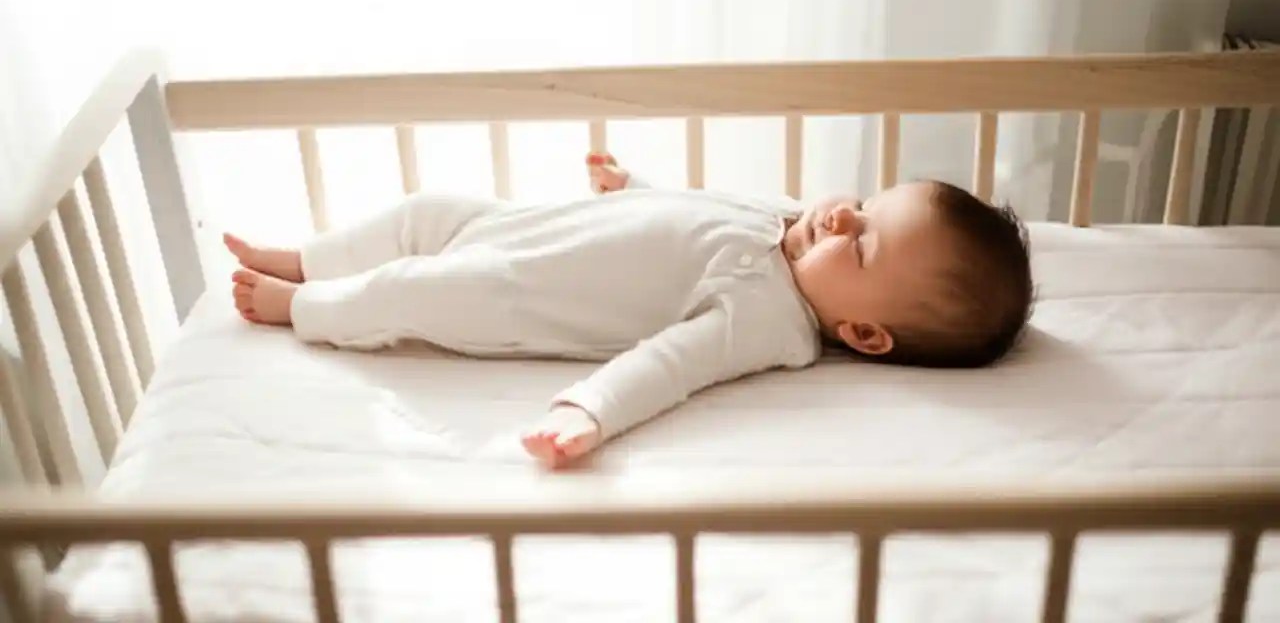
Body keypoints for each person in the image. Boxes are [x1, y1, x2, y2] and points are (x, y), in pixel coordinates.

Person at [226, 153, 1033, 468]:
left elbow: (670, 364)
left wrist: (592, 410)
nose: (842, 219)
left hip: (519, 298)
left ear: (862, 332)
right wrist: (636, 189)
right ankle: (308, 256)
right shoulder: (788, 223)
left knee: (410, 291)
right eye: (863, 204)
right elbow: (692, 212)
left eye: (860, 248)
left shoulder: (768, 320)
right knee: (425, 211)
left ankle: (306, 305)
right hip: (527, 228)